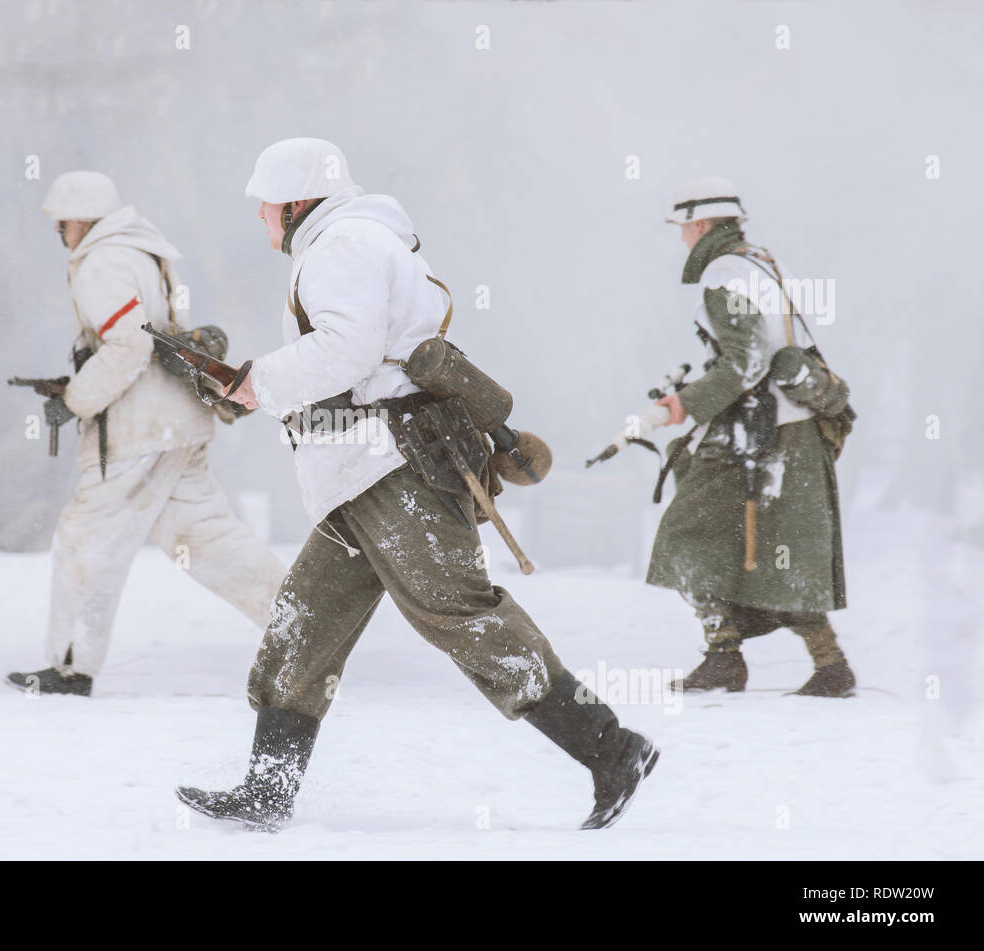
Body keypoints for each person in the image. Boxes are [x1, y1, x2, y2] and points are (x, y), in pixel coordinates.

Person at [175, 139, 658, 831]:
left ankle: (611, 749)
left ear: (296, 201)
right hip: (362, 474)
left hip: (390, 469)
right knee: (304, 622)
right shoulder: (362, 239)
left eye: (266, 203)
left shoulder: (341, 244)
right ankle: (268, 789)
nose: (259, 216)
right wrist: (262, 386)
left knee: (459, 614)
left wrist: (259, 382)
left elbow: (347, 351)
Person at [6, 171, 287, 697]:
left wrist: (75, 400)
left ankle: (70, 669)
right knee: (207, 537)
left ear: (81, 219)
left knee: (85, 541)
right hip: (177, 422)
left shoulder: (101, 262)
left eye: (62, 221)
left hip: (136, 433)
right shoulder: (148, 252)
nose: (59, 231)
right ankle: (301, 624)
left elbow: (129, 346)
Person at [647, 176, 855, 698]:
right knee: (780, 546)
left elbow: (746, 362)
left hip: (758, 433)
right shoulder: (760, 261)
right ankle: (829, 665)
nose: (680, 238)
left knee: (685, 535)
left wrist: (684, 403)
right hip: (791, 428)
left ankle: (724, 655)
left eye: (682, 228)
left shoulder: (724, 274)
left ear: (699, 224)